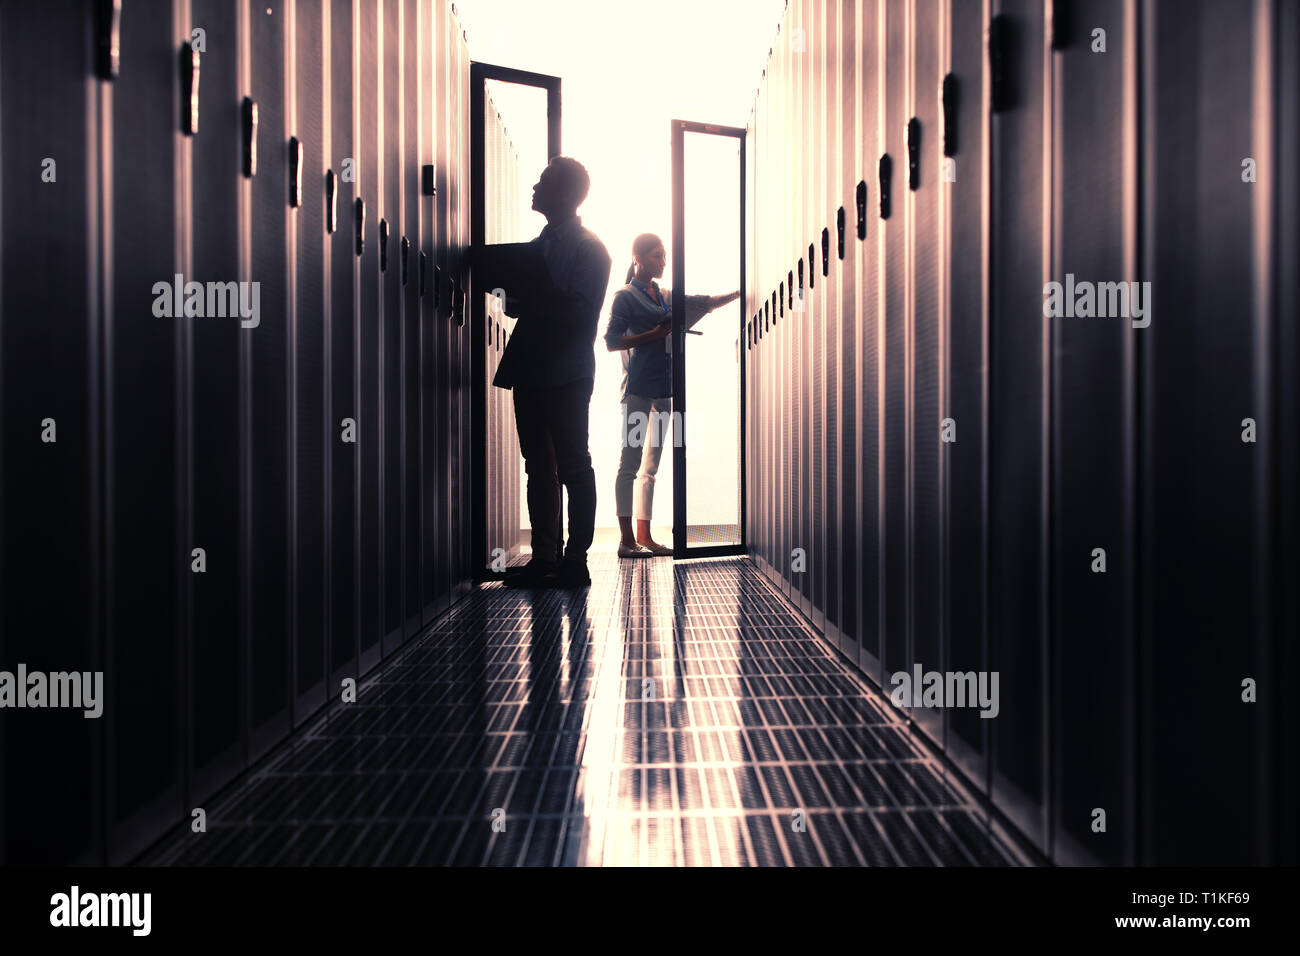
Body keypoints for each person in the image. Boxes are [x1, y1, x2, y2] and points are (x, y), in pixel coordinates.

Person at [491, 157, 612, 589]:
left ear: (564, 194)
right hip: (531, 368)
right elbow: (525, 305)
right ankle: (545, 557)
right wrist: (511, 294)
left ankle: (575, 560)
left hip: (567, 371)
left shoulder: (589, 248)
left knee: (574, 466)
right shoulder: (539, 245)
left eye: (543, 182)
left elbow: (581, 314)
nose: (534, 188)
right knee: (538, 465)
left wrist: (536, 293)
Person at [603, 233, 740, 556]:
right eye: (656, 256)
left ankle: (645, 537)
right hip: (637, 390)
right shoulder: (624, 296)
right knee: (630, 463)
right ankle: (625, 541)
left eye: (664, 256)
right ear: (637, 257)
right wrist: (653, 334)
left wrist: (738, 293)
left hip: (664, 390)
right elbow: (610, 341)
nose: (663, 262)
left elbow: (702, 302)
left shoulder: (664, 295)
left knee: (651, 468)